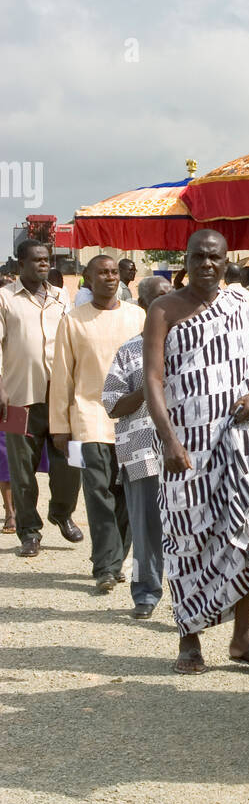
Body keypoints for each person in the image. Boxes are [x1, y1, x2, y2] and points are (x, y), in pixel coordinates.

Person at [143, 230, 249, 673]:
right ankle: (190, 638)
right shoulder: (163, 309)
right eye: (198, 257)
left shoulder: (240, 305)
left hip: (244, 446)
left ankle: (242, 638)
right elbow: (152, 380)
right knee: (188, 537)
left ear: (226, 262)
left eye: (215, 258)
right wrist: (168, 441)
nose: (207, 264)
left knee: (248, 530)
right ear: (185, 260)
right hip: (186, 447)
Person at [50, 255, 145, 591]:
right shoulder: (73, 321)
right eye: (101, 272)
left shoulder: (138, 317)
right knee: (97, 492)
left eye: (113, 272)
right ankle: (106, 565)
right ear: (88, 279)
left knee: (128, 492)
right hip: (88, 417)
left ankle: (115, 557)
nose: (109, 277)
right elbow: (62, 376)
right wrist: (59, 426)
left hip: (132, 419)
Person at [0, 239, 82, 557]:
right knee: (22, 469)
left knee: (73, 460)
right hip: (19, 397)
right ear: (21, 265)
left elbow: (74, 340)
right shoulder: (5, 299)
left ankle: (62, 512)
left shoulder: (62, 297)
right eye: (36, 260)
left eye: (46, 259)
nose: (44, 264)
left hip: (61, 396)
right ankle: (29, 532)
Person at [102, 276, 171, 618]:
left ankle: (194, 598)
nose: (169, 302)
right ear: (145, 306)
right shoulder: (130, 351)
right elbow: (111, 403)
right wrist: (149, 386)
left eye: (172, 296)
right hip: (143, 453)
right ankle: (145, 594)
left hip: (189, 453)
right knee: (145, 528)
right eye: (160, 297)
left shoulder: (192, 346)